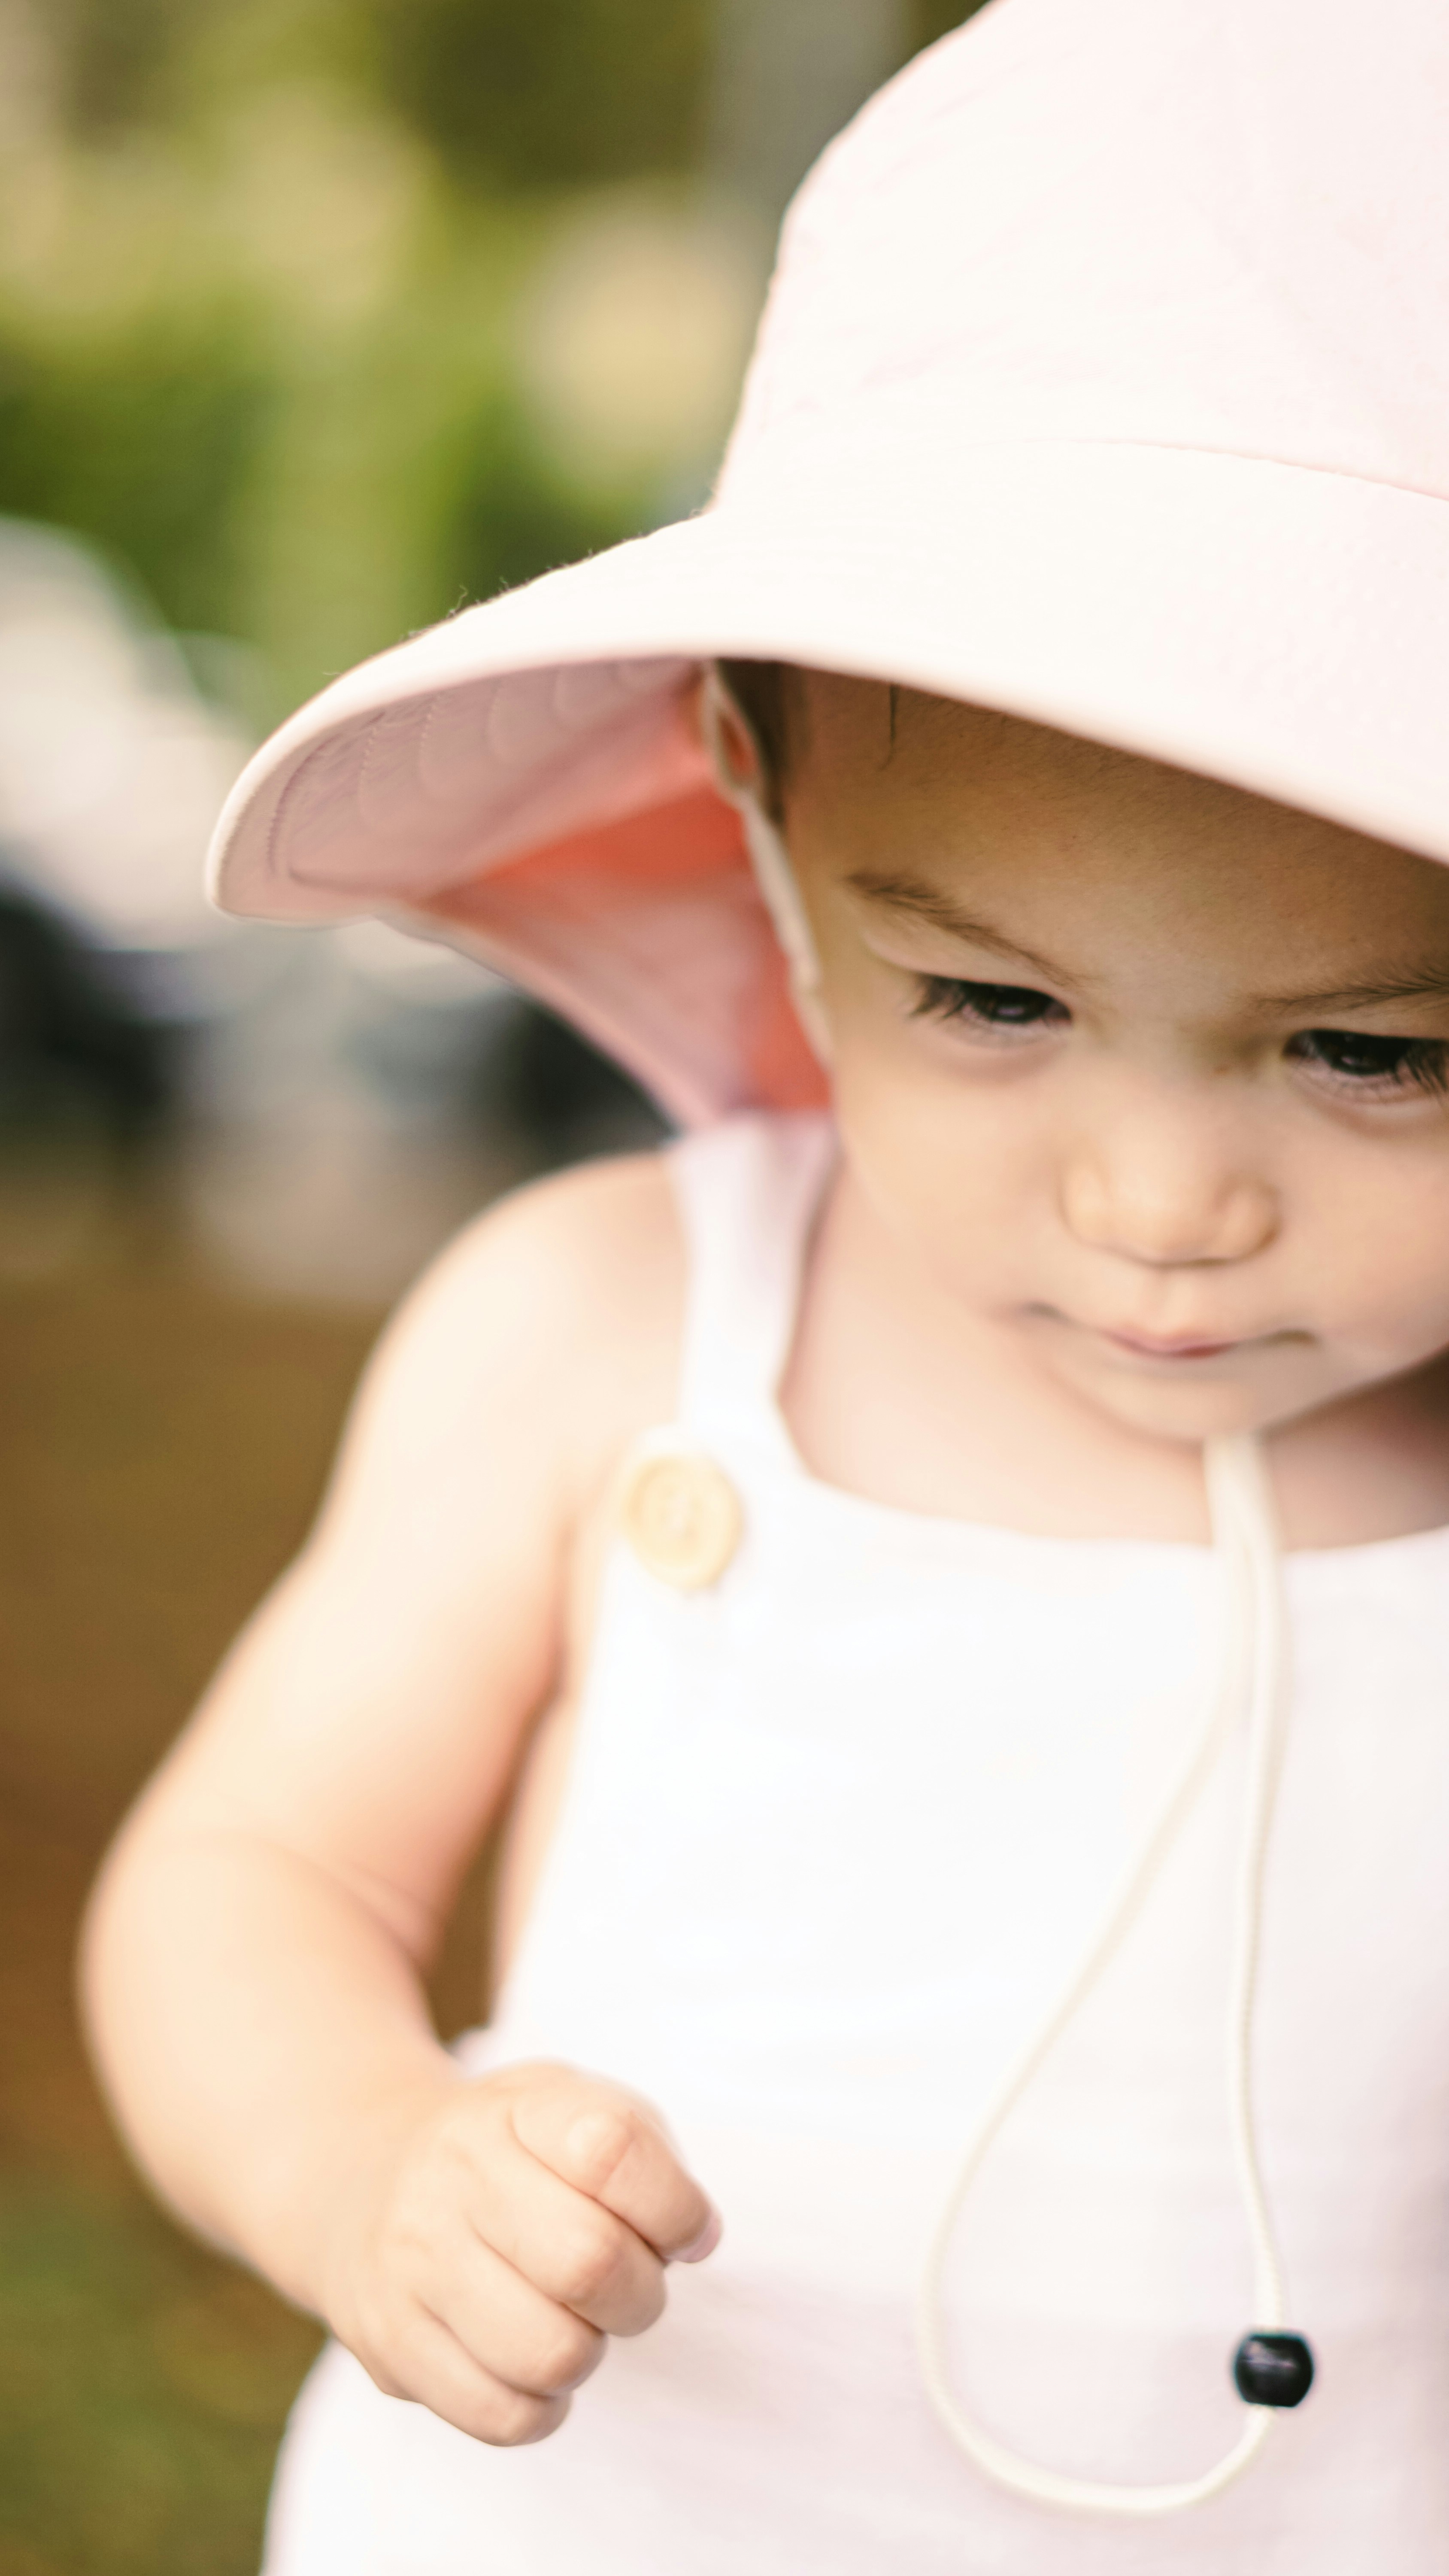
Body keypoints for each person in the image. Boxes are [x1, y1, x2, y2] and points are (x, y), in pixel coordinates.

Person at [82, 0, 1449, 2563]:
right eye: (995, 1003)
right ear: (760, 811)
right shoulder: (609, 1328)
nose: (1163, 1202)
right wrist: (366, 2153)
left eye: (1375, 1053)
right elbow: (254, 1873)